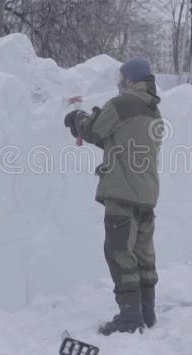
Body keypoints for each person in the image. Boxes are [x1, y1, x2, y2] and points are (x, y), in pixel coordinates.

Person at [63, 57, 162, 335]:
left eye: (121, 78)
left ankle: (129, 318)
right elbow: (122, 141)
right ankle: (147, 312)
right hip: (146, 193)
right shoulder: (153, 111)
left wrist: (78, 119)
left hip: (123, 192)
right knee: (143, 254)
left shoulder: (123, 104)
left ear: (130, 79)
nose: (119, 83)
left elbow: (95, 130)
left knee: (119, 253)